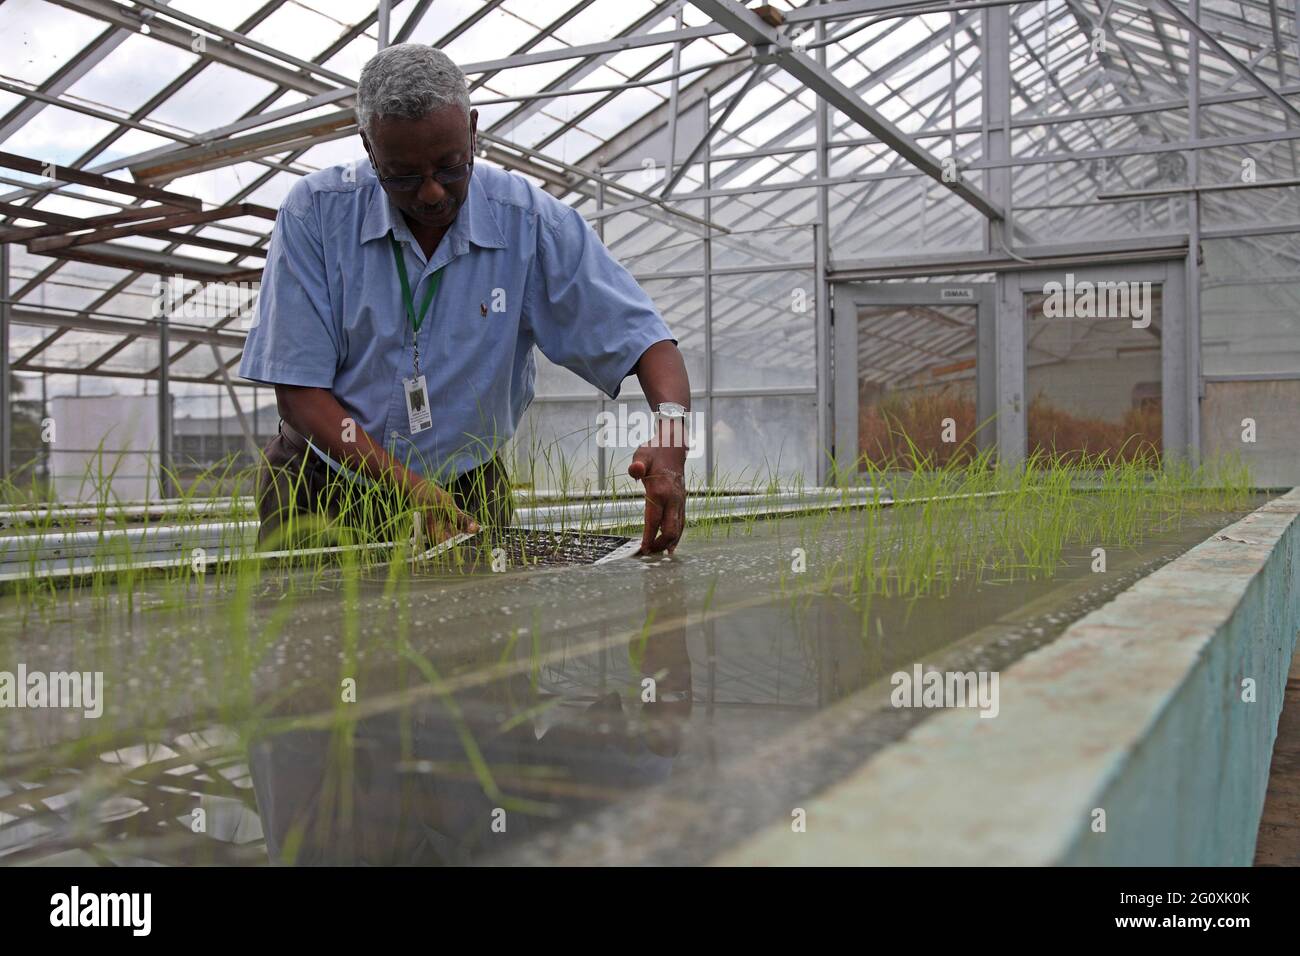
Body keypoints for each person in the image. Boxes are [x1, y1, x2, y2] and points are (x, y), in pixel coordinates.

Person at [240, 44, 691, 554]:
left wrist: (671, 436)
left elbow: (647, 341)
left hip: (467, 486)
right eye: (404, 175)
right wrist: (410, 489)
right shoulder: (316, 215)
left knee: (471, 631)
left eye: (451, 167)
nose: (432, 193)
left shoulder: (530, 223)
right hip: (325, 482)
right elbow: (298, 392)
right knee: (314, 628)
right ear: (369, 148)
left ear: (473, 130)